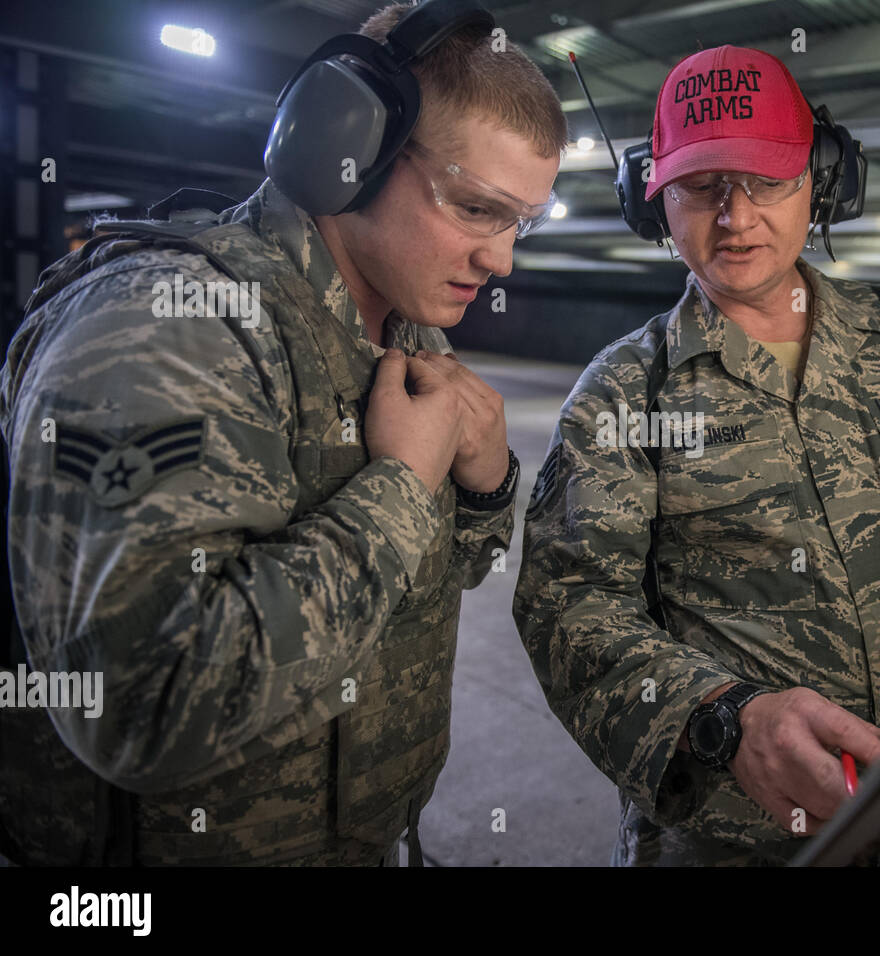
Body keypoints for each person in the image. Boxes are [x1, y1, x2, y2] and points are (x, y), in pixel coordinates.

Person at [513, 44, 880, 867]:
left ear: (823, 179)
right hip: (726, 841)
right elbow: (569, 607)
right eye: (702, 186)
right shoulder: (626, 394)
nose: (736, 216)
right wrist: (722, 718)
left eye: (767, 179)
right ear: (651, 198)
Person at [0, 0, 566, 865]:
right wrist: (403, 487)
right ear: (351, 147)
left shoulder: (413, 336)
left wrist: (485, 486)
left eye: (519, 221)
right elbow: (138, 708)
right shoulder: (168, 325)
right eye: (476, 208)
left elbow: (443, 572)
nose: (503, 261)